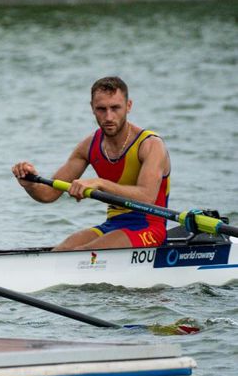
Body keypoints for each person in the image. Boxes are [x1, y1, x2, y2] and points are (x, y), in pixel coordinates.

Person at [11, 76, 171, 251]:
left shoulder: (151, 145)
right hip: (112, 226)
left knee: (80, 254)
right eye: (101, 109)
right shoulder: (89, 146)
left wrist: (99, 183)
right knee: (60, 252)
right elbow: (49, 195)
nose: (109, 116)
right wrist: (31, 184)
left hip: (149, 229)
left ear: (128, 106)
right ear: (92, 109)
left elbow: (147, 197)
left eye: (115, 108)